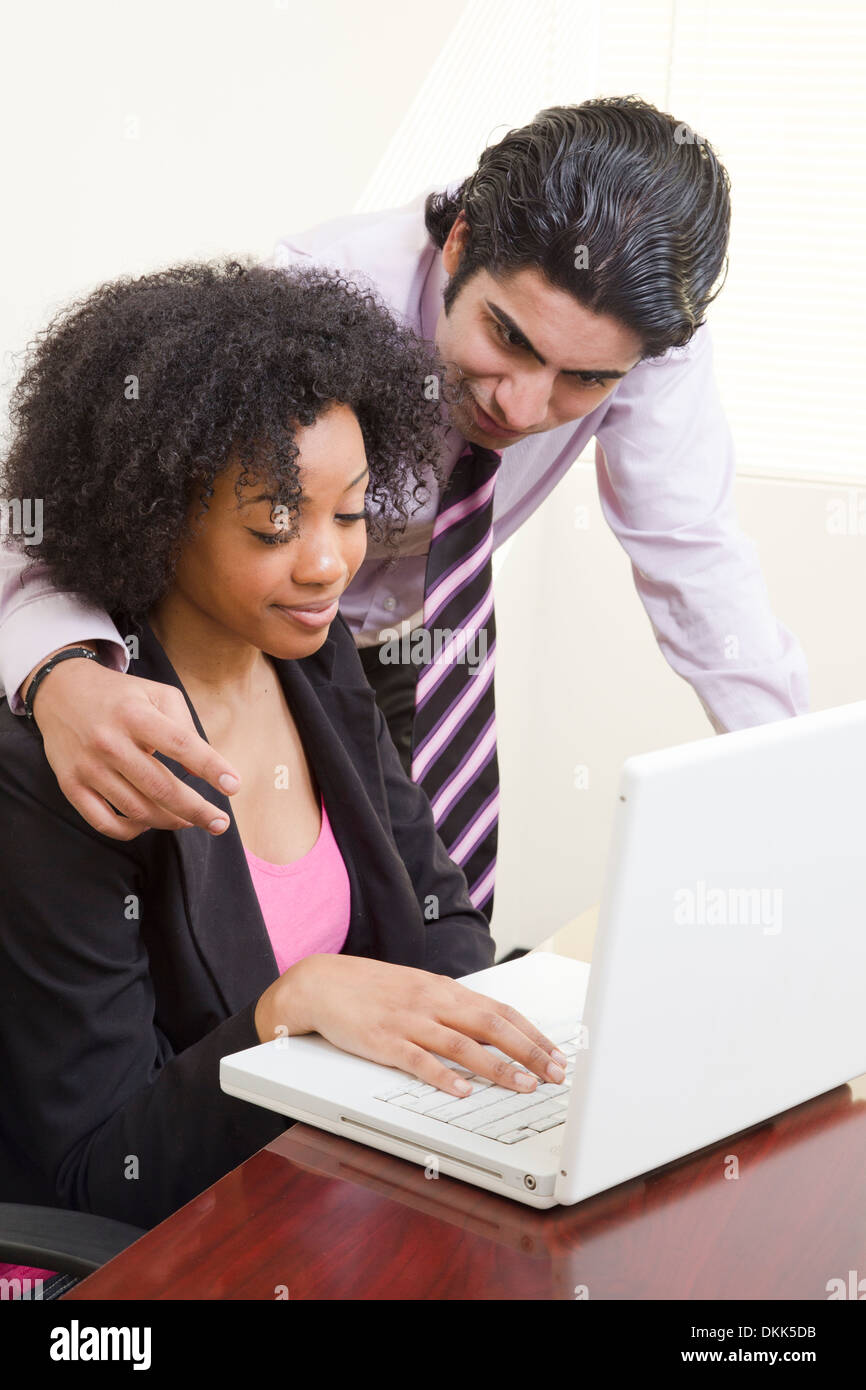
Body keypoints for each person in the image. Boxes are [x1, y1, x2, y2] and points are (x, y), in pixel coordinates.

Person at [0, 97, 809, 926]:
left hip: (400, 649)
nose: (525, 408)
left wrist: (806, 799)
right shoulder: (316, 292)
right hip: (217, 647)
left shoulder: (642, 341)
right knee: (220, 926)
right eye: (510, 339)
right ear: (459, 240)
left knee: (412, 914)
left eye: (585, 380)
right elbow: (49, 504)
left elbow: (696, 559)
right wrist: (59, 674)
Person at [0, 261, 567, 1248]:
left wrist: (518, 1075)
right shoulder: (67, 763)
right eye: (275, 524)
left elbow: (435, 920)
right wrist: (285, 1011)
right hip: (196, 1244)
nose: (327, 563)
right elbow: (97, 1173)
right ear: (157, 515)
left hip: (349, 1189)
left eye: (349, 514)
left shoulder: (314, 656)